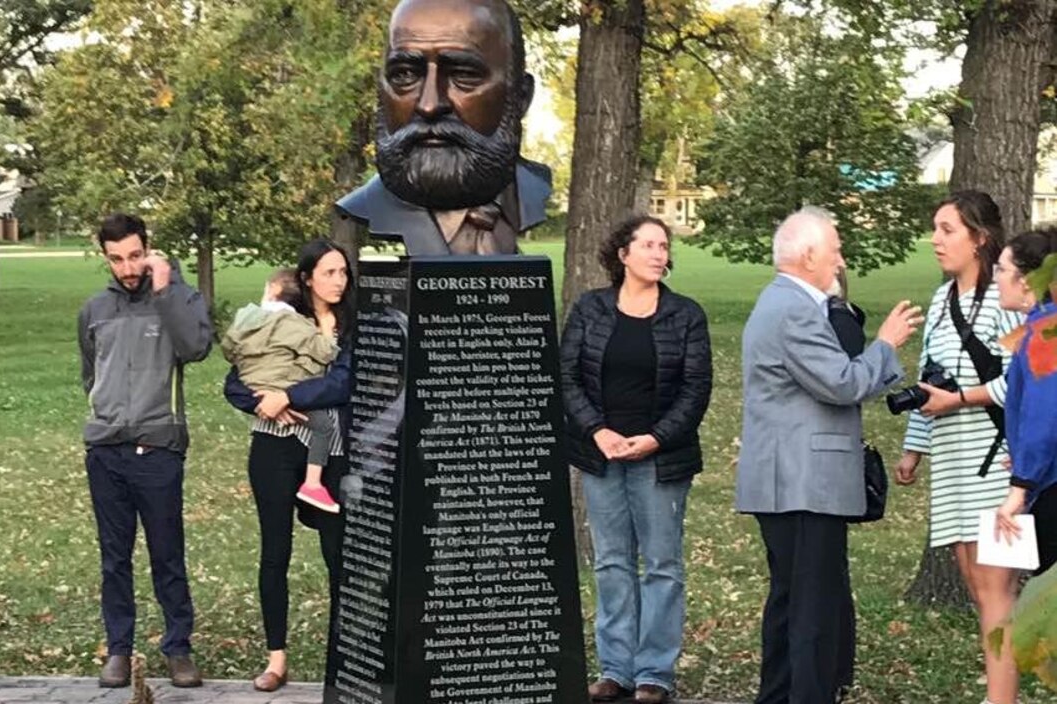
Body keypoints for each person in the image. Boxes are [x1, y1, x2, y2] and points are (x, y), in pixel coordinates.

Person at [736, 207, 920, 704]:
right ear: (808, 254)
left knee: (791, 602)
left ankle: (777, 696)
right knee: (812, 609)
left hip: (790, 480)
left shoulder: (781, 303)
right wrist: (885, 344)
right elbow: (843, 383)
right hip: (802, 482)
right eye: (835, 248)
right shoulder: (794, 308)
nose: (841, 259)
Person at [561, 216, 712, 704]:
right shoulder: (591, 309)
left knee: (662, 565)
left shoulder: (685, 314)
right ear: (622, 254)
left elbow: (695, 389)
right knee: (611, 563)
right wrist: (597, 431)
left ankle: (654, 674)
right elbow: (566, 378)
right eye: (646, 244)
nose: (657, 252)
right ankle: (616, 670)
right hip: (602, 456)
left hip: (659, 459)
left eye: (663, 245)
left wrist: (654, 438)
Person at [894, 191, 1025, 704]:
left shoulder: (1005, 298)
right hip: (952, 466)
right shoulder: (942, 301)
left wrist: (961, 399)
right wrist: (913, 449)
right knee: (977, 586)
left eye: (947, 229)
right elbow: (932, 384)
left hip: (999, 466)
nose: (935, 239)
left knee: (998, 591)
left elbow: (1026, 379)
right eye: (935, 228)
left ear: (980, 238)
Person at [77, 213, 213, 688]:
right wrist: (105, 416)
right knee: (114, 557)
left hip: (158, 449)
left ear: (148, 249)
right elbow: (90, 372)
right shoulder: (94, 310)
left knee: (166, 554)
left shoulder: (177, 297)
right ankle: (118, 649)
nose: (127, 266)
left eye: (134, 255)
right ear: (106, 258)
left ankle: (178, 648)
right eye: (117, 259)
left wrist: (164, 288)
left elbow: (196, 346)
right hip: (106, 452)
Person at [223, 239, 354, 693]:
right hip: (275, 448)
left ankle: (344, 658)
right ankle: (276, 659)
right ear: (307, 277)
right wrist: (268, 403)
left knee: (340, 557)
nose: (338, 281)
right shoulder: (278, 319)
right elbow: (234, 383)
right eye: (329, 272)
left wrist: (291, 395)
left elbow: (343, 381)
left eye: (343, 273)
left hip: (333, 449)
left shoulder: (353, 324)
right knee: (274, 553)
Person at [334, 0, 553, 255]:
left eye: (463, 75)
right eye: (405, 75)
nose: (429, 105)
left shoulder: (535, 192)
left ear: (520, 97)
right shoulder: (366, 207)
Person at [221, 268, 342, 513]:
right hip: (287, 398)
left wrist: (260, 395)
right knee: (323, 426)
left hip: (257, 387)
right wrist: (328, 332)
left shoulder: (246, 321)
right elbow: (324, 352)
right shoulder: (295, 325)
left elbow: (231, 360)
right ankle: (313, 483)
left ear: (274, 289)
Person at [993, 227, 1057, 575]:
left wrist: (1022, 484)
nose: (996, 279)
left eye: (1002, 270)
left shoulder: (1045, 335)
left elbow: (1044, 415)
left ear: (1027, 279)